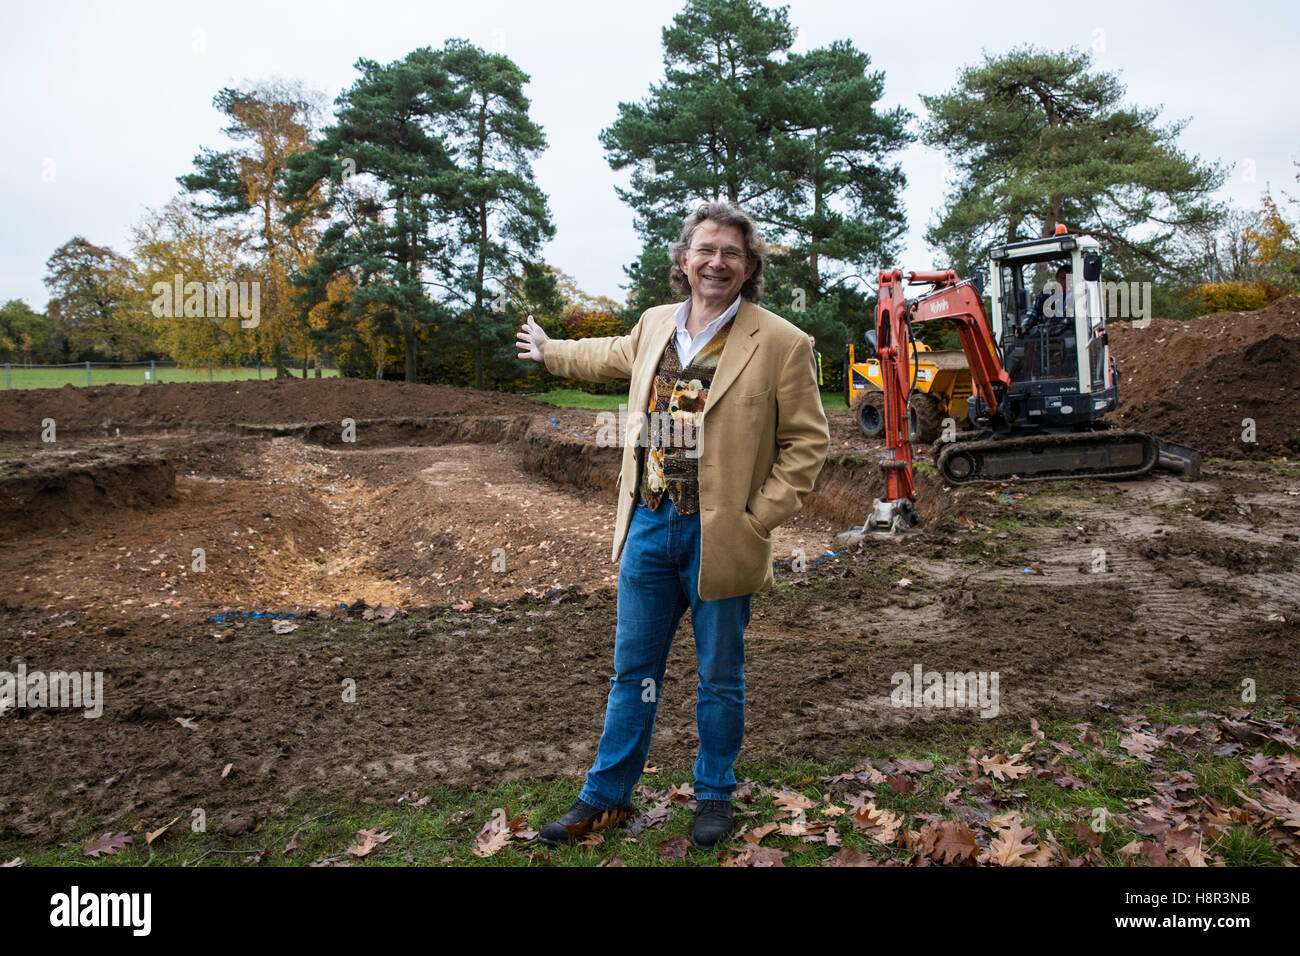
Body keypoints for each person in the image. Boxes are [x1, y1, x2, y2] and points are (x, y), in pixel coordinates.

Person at [516, 201, 829, 849]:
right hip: (651, 525)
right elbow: (605, 354)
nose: (717, 262)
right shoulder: (656, 324)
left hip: (724, 537)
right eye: (706, 249)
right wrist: (549, 350)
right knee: (634, 672)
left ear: (748, 269)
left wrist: (757, 519)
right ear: (683, 259)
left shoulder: (780, 342)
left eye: (732, 254)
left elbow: (807, 444)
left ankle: (714, 793)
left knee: (720, 675)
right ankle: (605, 799)